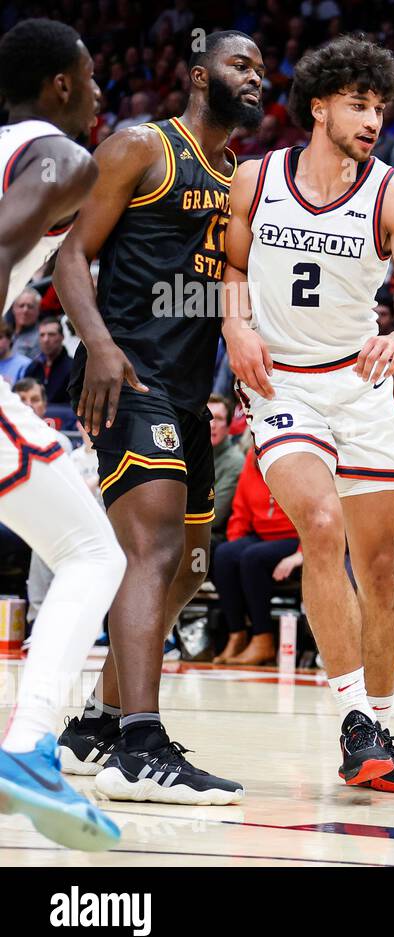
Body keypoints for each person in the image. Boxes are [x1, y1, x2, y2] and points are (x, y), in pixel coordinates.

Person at [222, 36, 394, 795]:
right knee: (320, 524)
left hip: (360, 388)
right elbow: (230, 266)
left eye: (380, 106)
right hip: (282, 385)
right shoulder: (257, 179)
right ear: (318, 105)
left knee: (381, 568)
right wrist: (235, 325)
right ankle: (355, 716)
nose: (372, 118)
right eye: (358, 103)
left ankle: (375, 730)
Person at [53, 30, 264, 806]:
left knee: (191, 567)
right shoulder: (142, 147)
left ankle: (96, 725)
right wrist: (98, 347)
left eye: (263, 70)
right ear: (200, 73)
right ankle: (141, 746)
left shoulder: (240, 176)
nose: (256, 77)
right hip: (128, 372)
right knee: (154, 549)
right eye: (242, 65)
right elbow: (72, 255)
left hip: (187, 388)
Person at [0, 17, 126, 852]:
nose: (99, 93)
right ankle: (29, 749)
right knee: (93, 553)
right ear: (61, 87)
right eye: (90, 78)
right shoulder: (60, 155)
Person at [210, 449, 300, 665]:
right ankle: (237, 635)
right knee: (224, 554)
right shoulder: (253, 458)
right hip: (261, 535)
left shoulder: (296, 455)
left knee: (252, 558)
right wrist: (235, 544)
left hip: (296, 538)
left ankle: (263, 639)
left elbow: (318, 515)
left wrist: (300, 554)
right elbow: (240, 510)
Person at [208, 393, 244, 547]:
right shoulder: (189, 454)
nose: (211, 424)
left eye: (219, 418)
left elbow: (215, 517)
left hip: (215, 536)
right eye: (207, 417)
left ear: (229, 427)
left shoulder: (235, 461)